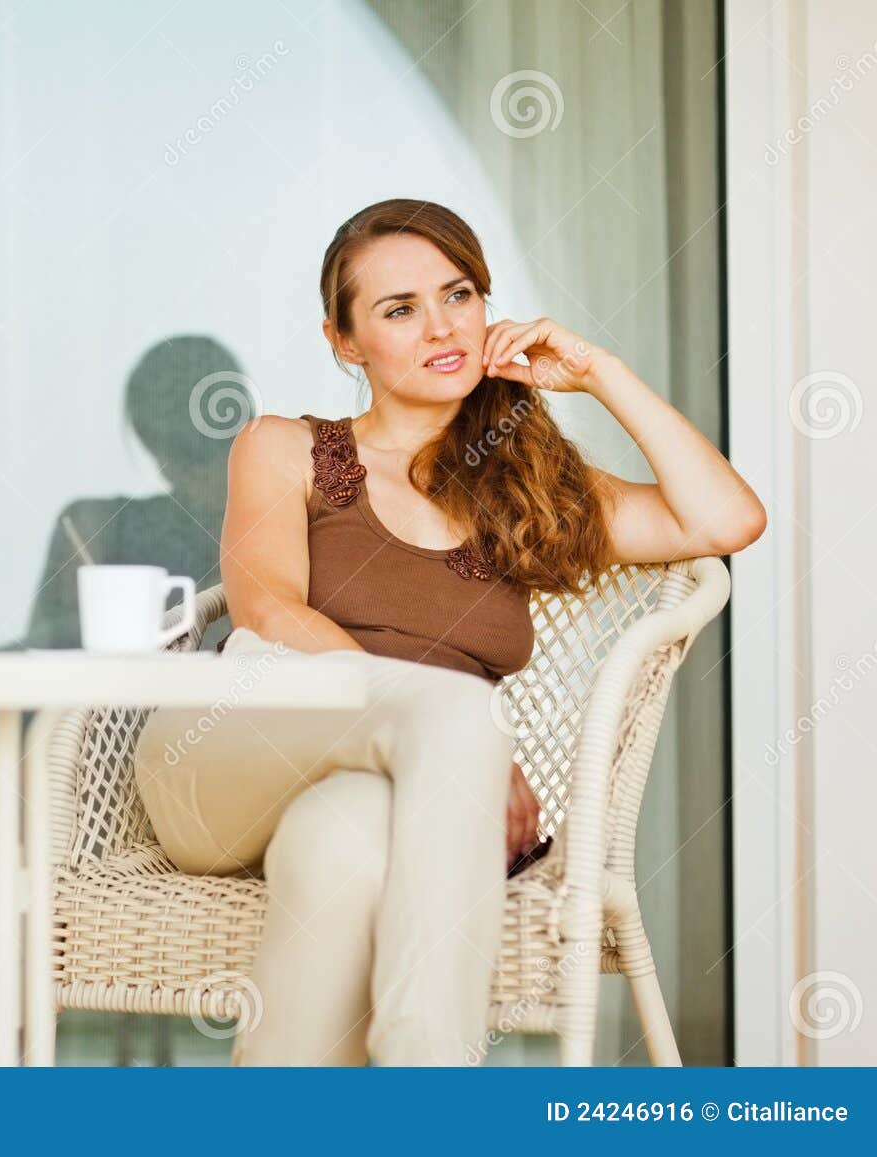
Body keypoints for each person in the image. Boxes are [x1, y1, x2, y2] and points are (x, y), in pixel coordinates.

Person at [132, 197, 766, 1066]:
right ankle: (435, 1070)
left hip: (385, 798)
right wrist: (456, 733)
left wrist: (601, 372)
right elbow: (271, 610)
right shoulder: (283, 447)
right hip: (220, 760)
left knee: (347, 843)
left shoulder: (532, 490)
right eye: (400, 309)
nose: (442, 325)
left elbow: (725, 518)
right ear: (344, 342)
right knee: (458, 717)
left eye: (458, 293)